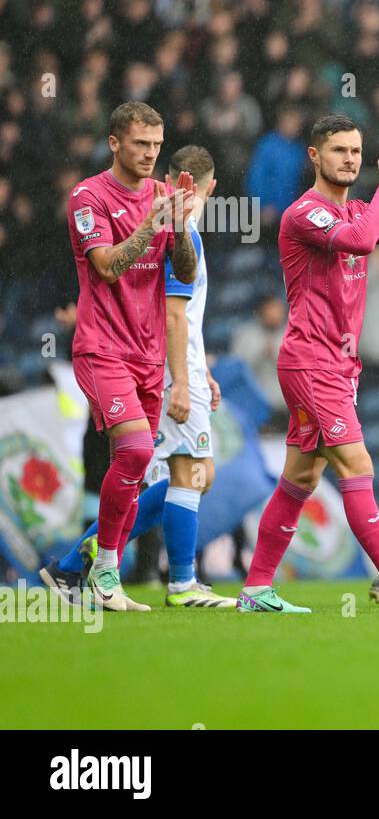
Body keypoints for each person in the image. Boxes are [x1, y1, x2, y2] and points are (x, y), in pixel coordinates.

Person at [237, 114, 379, 614]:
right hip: (311, 360)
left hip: (336, 364)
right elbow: (358, 241)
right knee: (358, 463)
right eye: (340, 151)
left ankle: (255, 590)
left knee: (301, 479)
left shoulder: (357, 209)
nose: (351, 159)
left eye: (356, 151)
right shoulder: (304, 214)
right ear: (315, 156)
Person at [43, 145, 234, 607]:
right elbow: (171, 317)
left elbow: (189, 317)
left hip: (173, 366)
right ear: (210, 188)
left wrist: (200, 369)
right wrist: (184, 380)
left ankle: (76, 562)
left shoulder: (180, 232)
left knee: (187, 474)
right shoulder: (173, 233)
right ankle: (181, 583)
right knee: (186, 471)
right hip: (163, 368)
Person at [65, 101, 198, 612]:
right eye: (140, 144)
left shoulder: (165, 195)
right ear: (115, 143)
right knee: (139, 452)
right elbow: (107, 268)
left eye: (156, 146)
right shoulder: (88, 196)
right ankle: (103, 568)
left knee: (135, 464)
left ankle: (95, 574)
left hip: (148, 354)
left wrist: (180, 225)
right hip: (101, 348)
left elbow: (182, 271)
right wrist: (151, 223)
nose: (149, 154)